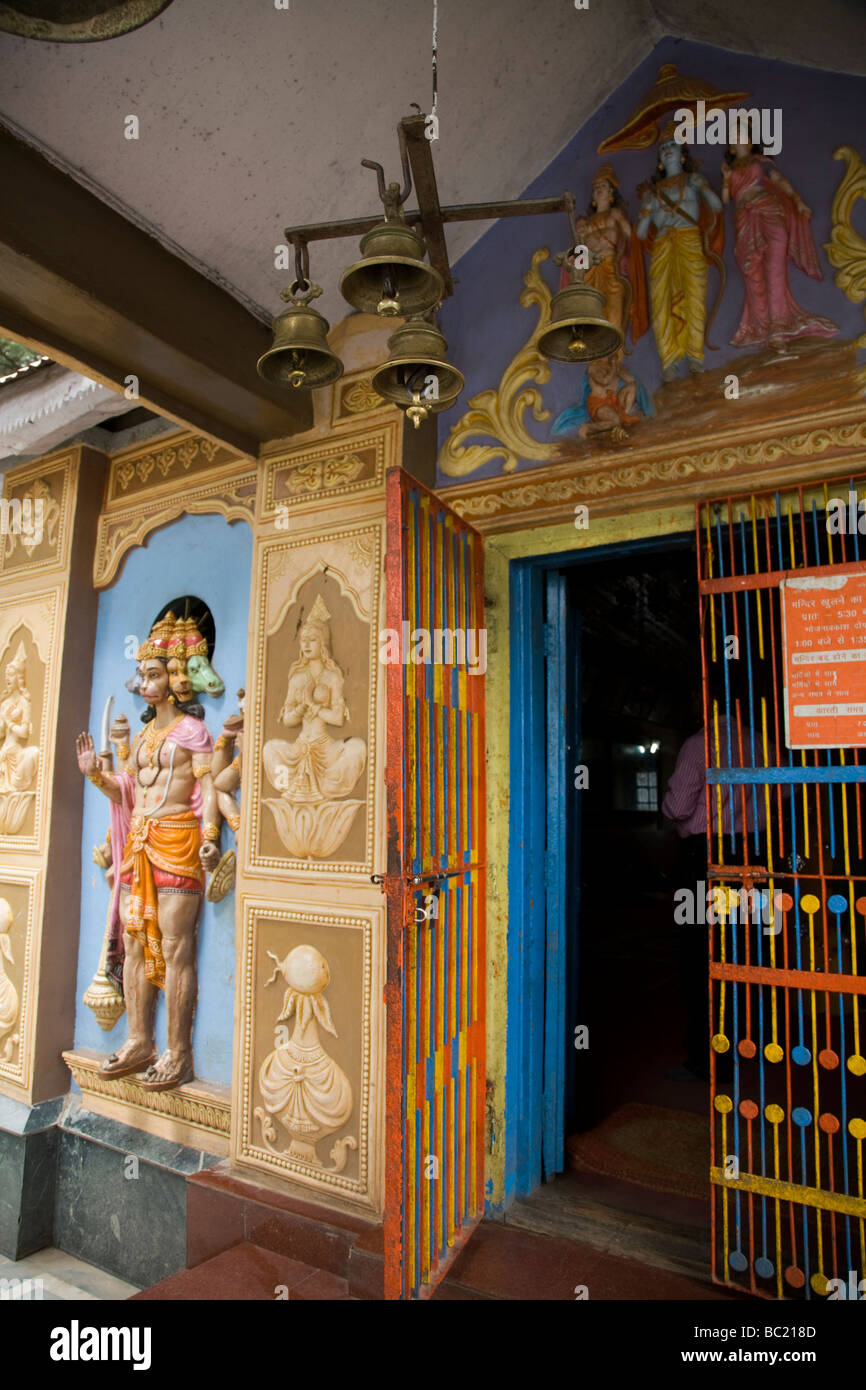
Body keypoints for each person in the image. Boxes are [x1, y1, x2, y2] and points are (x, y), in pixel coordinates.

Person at [75, 614, 221, 1091]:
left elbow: (210, 786)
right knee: (136, 942)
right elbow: (131, 792)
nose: (144, 684)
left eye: (154, 674)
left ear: (176, 680)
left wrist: (212, 834)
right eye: (143, 675)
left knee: (177, 948)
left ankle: (178, 1052)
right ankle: (140, 1040)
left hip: (178, 842)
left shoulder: (192, 734)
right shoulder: (140, 740)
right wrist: (96, 776)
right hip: (140, 844)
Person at [722, 142, 837, 350]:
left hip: (770, 210)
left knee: (775, 268)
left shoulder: (761, 162)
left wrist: (798, 201)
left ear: (750, 141)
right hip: (745, 218)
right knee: (751, 270)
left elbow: (779, 180)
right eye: (732, 136)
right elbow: (726, 199)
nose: (736, 138)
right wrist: (726, 178)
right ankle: (762, 325)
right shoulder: (729, 170)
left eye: (740, 133)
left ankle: (777, 328)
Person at [636, 123, 723, 380]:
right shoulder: (653, 194)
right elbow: (641, 234)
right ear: (660, 160)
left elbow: (717, 206)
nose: (667, 150)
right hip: (663, 245)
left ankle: (695, 356)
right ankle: (669, 361)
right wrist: (645, 210)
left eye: (671, 145)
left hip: (689, 240)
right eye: (662, 148)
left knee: (695, 295)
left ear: (682, 154)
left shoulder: (693, 181)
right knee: (661, 300)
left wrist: (704, 187)